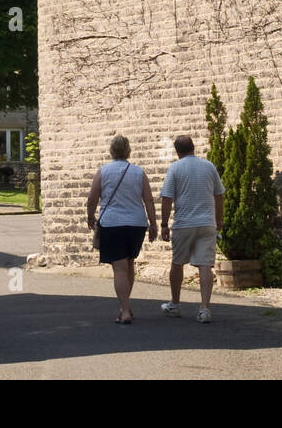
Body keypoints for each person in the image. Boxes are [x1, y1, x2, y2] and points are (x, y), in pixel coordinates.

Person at [87, 134, 157, 324]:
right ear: (128, 151)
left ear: (111, 150)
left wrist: (90, 216)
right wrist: (154, 224)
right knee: (129, 264)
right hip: (136, 224)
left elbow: (92, 198)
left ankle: (125, 310)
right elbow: (148, 199)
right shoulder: (138, 172)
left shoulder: (103, 171)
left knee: (119, 269)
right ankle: (124, 306)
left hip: (112, 223)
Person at [159, 134, 225, 323]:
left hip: (184, 223)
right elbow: (219, 195)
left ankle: (175, 303)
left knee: (177, 263)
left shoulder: (175, 168)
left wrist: (164, 224)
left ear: (177, 151)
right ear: (193, 147)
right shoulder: (209, 166)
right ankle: (204, 308)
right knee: (205, 265)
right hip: (207, 223)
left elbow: (167, 198)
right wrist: (219, 220)